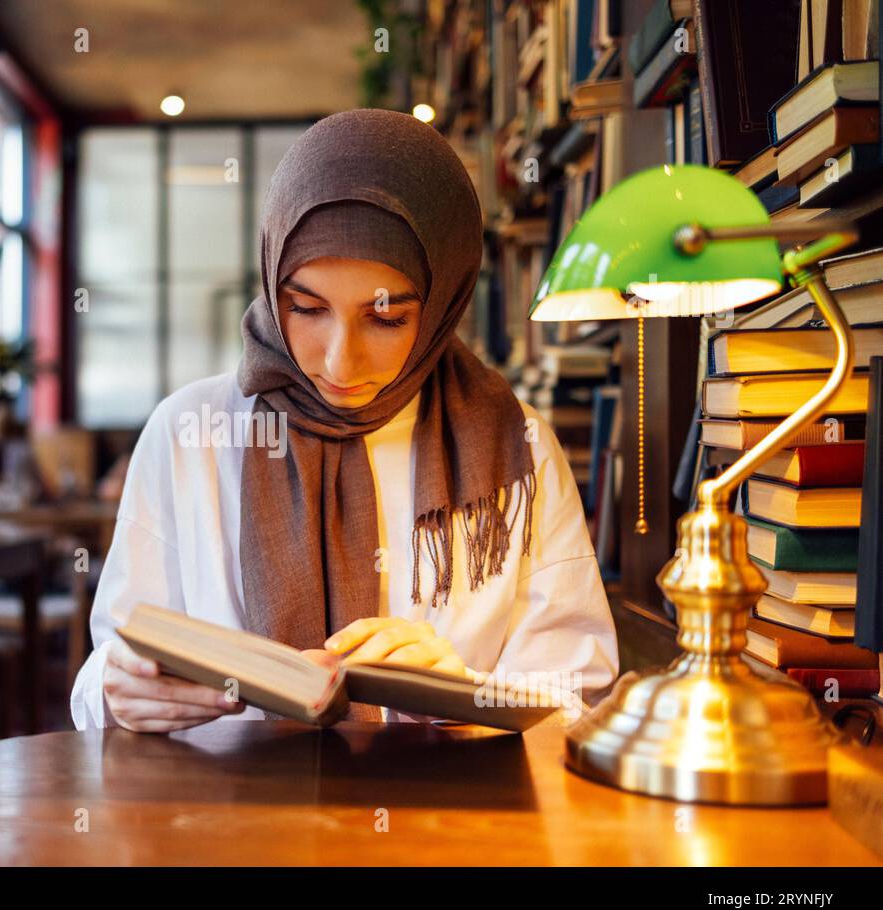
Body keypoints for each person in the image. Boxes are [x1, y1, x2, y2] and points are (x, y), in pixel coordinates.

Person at [70, 108, 618, 733]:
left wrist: (465, 698)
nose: (339, 360)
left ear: (444, 302)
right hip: (219, 818)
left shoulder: (516, 445)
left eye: (386, 319)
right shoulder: (188, 434)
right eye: (306, 307)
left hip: (447, 823)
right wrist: (116, 692)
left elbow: (581, 700)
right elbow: (104, 674)